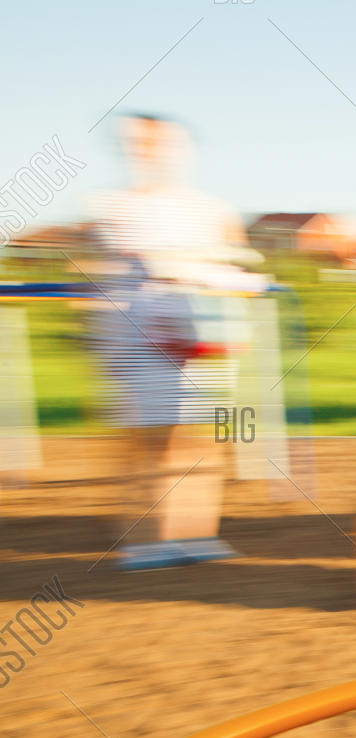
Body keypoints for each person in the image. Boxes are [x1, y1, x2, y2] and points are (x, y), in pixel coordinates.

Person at [85, 111, 267, 569]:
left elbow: (239, 256)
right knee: (148, 445)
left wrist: (228, 272)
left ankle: (195, 534)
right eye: (141, 144)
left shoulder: (209, 208)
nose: (151, 152)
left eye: (162, 143)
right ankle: (145, 541)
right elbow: (144, 259)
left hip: (199, 338)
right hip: (137, 342)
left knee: (201, 441)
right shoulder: (112, 205)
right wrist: (204, 268)